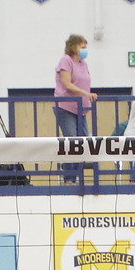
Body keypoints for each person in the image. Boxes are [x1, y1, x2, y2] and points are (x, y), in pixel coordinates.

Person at [54, 34, 94, 185]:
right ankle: (69, 178)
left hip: (81, 108)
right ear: (74, 47)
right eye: (82, 47)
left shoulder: (83, 64)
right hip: (66, 106)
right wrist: (86, 94)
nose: (85, 50)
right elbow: (67, 84)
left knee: (84, 141)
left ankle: (76, 175)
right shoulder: (66, 60)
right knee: (72, 140)